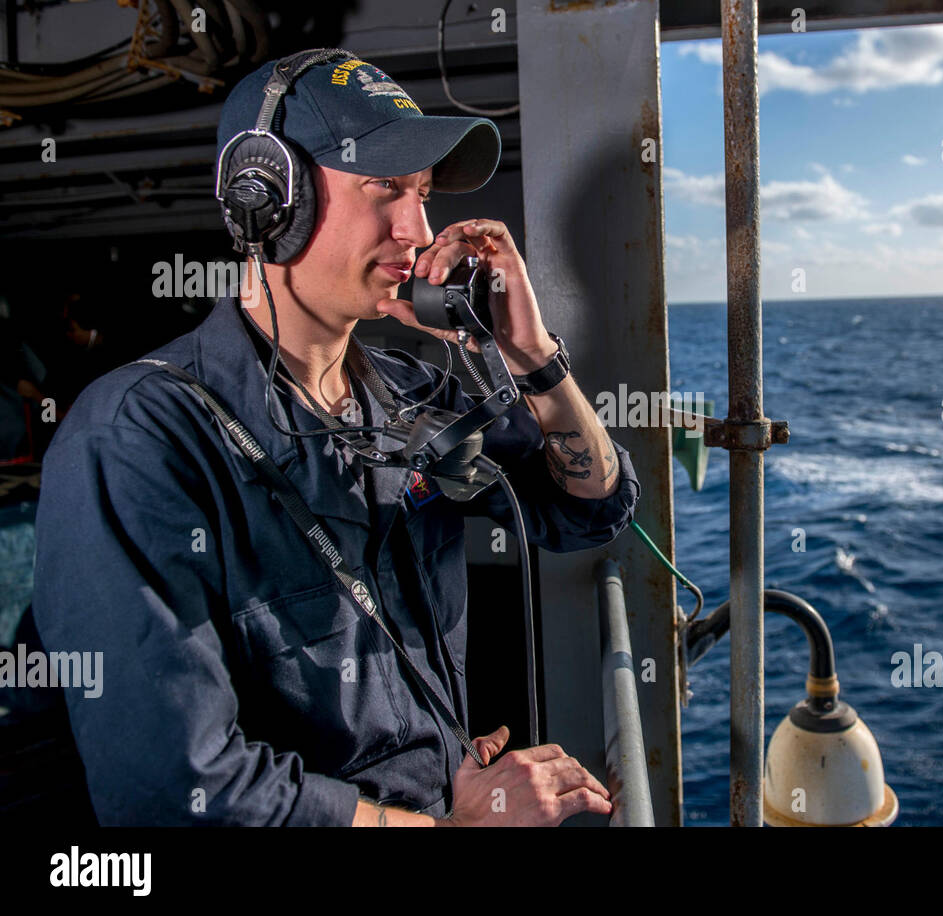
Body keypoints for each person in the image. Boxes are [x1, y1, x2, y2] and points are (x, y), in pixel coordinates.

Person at [32, 52, 641, 826]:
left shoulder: (412, 391)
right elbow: (175, 789)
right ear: (266, 199)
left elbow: (588, 508)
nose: (417, 232)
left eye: (421, 195)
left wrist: (533, 357)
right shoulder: (136, 439)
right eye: (385, 188)